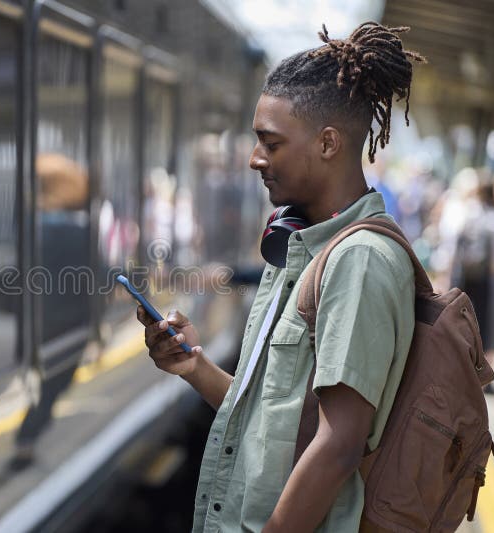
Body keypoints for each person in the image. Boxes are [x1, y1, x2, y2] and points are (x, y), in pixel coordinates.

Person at [138, 22, 425, 532]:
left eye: (270, 143)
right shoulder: (299, 249)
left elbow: (339, 446)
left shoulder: (358, 261)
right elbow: (271, 420)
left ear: (328, 143)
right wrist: (193, 366)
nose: (255, 159)